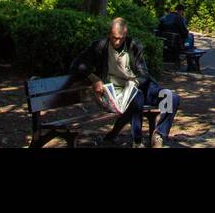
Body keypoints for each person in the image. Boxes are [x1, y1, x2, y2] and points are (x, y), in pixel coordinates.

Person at [68, 18, 180, 147]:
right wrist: (94, 78)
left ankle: (159, 134)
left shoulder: (134, 46)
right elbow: (76, 64)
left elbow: (144, 73)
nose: (117, 41)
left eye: (121, 38)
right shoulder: (99, 46)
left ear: (125, 35)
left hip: (140, 86)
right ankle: (137, 141)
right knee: (136, 98)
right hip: (118, 91)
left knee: (171, 98)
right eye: (114, 38)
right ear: (109, 34)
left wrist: (135, 82)